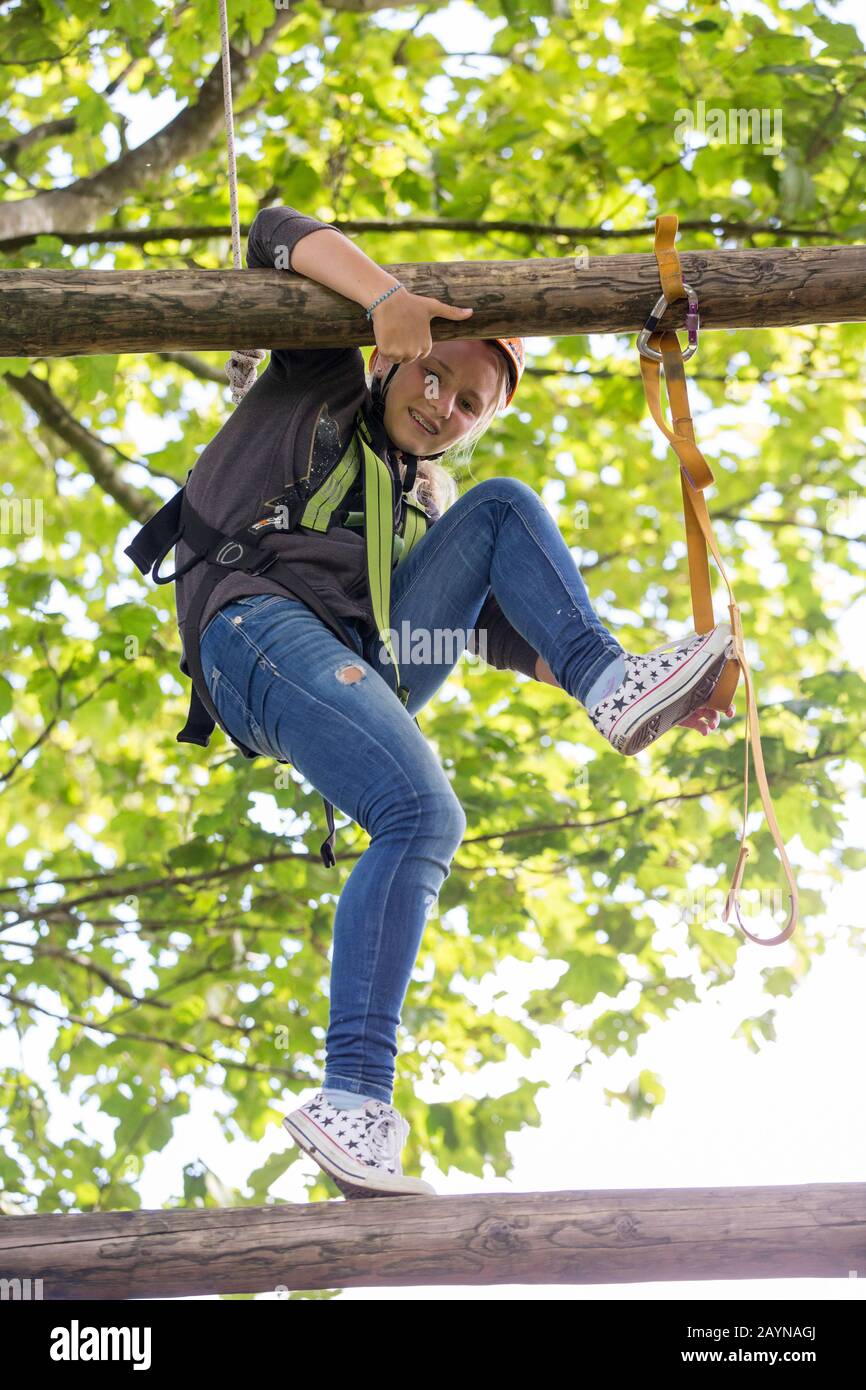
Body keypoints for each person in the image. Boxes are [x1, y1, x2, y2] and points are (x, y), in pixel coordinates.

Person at [182, 206, 735, 1198]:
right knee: (424, 815)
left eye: (469, 404)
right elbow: (273, 229)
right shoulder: (318, 385)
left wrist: (660, 694)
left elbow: (485, 633)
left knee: (498, 511)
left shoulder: (418, 509)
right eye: (433, 375)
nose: (442, 407)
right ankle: (351, 1096)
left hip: (357, 658)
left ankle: (609, 685)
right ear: (392, 359)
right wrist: (387, 298)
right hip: (256, 628)